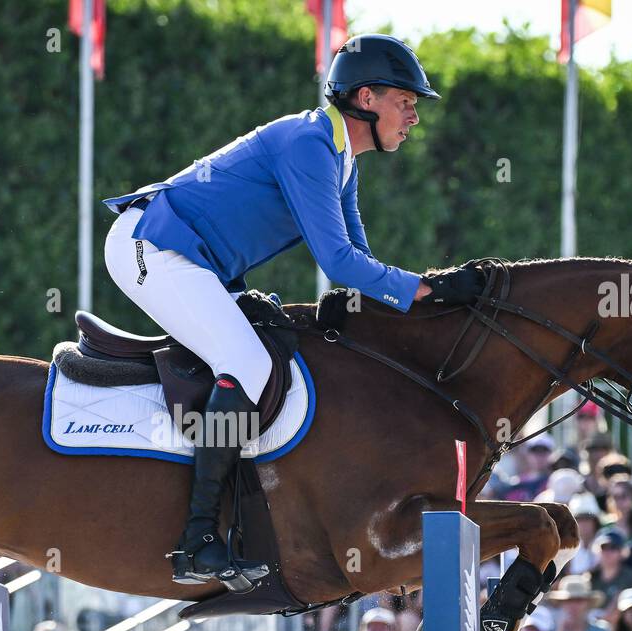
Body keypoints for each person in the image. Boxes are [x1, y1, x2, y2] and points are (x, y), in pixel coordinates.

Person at [103, 34, 445, 586]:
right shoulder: (309, 143)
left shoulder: (341, 163)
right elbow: (339, 262)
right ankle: (197, 539)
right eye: (406, 101)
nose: (414, 117)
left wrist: (419, 297)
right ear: (365, 97)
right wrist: (428, 291)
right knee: (249, 364)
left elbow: (363, 262)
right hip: (150, 245)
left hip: (188, 258)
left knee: (276, 351)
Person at [546, 576, 610, 631]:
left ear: (588, 603)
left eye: (578, 600)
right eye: (568, 601)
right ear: (562, 604)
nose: (573, 606)